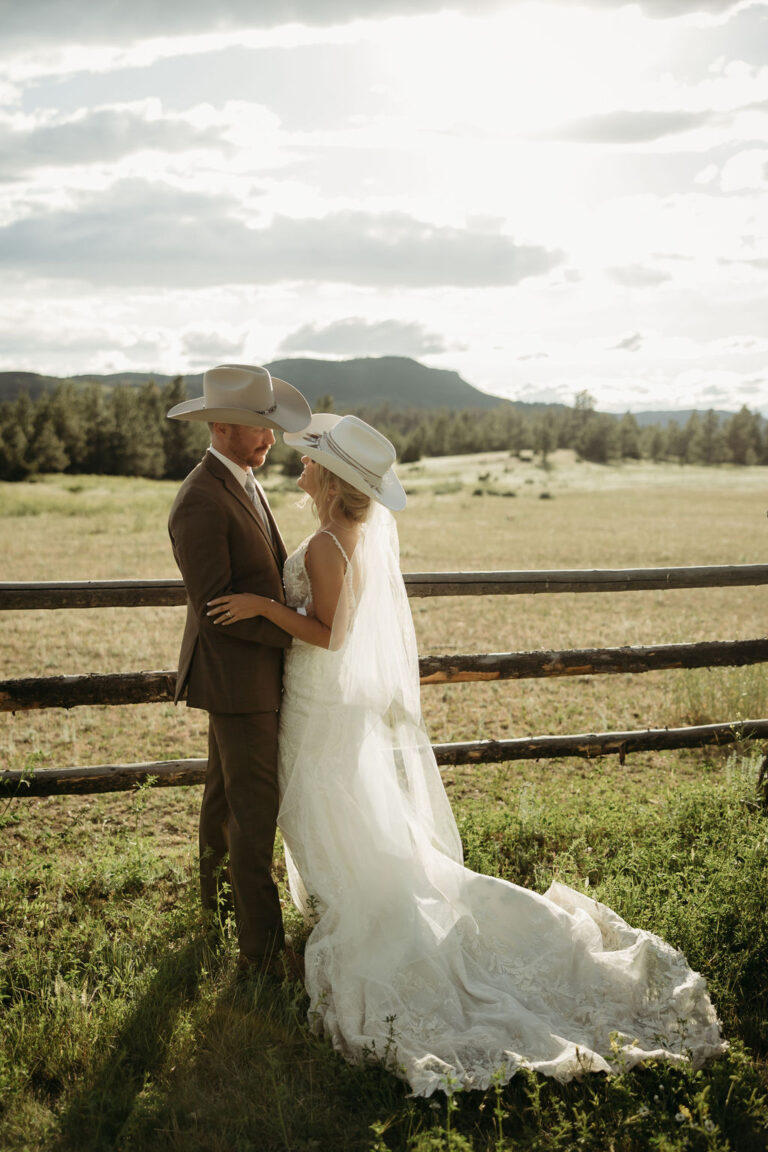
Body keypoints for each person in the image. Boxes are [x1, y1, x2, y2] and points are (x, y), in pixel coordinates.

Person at [206, 412, 727, 1096]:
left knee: (325, 813)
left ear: (330, 479)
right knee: (338, 816)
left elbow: (329, 636)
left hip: (319, 702)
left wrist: (260, 606)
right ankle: (351, 898)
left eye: (310, 459)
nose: (299, 464)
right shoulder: (346, 536)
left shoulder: (331, 544)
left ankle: (369, 917)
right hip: (320, 703)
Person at [167, 363, 311, 979]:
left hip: (249, 672)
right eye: (258, 428)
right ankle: (260, 952)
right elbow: (219, 609)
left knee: (225, 798)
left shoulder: (242, 481)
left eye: (270, 427)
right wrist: (294, 632)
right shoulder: (200, 499)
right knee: (255, 809)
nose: (270, 439)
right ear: (221, 424)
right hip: (237, 677)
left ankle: (219, 916)